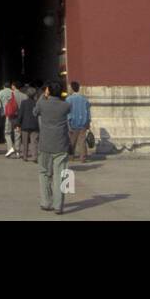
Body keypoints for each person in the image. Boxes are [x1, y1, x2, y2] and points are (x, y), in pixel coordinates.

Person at [35, 81, 71, 215]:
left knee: (44, 173)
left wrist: (43, 96)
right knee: (60, 175)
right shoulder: (66, 105)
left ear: (48, 91)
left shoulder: (42, 103)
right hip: (61, 144)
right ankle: (58, 205)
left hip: (45, 143)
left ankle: (46, 202)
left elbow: (35, 112)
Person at [65, 81, 91, 163]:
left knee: (72, 141)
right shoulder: (85, 99)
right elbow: (88, 112)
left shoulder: (68, 99)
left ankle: (71, 157)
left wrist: (68, 124)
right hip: (83, 123)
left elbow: (67, 113)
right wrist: (88, 122)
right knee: (82, 141)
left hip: (73, 123)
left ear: (72, 88)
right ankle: (83, 157)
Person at [18, 84, 40, 163]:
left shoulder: (24, 103)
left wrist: (18, 124)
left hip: (25, 124)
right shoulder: (37, 103)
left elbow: (21, 114)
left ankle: (25, 156)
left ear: (27, 94)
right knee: (34, 142)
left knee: (25, 141)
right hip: (34, 124)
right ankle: (35, 157)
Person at [0, 81, 20, 157]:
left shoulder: (1, 92)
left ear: (3, 86)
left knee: (7, 132)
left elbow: (0, 103)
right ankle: (17, 151)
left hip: (8, 114)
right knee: (17, 132)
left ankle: (10, 147)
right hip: (16, 114)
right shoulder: (14, 93)